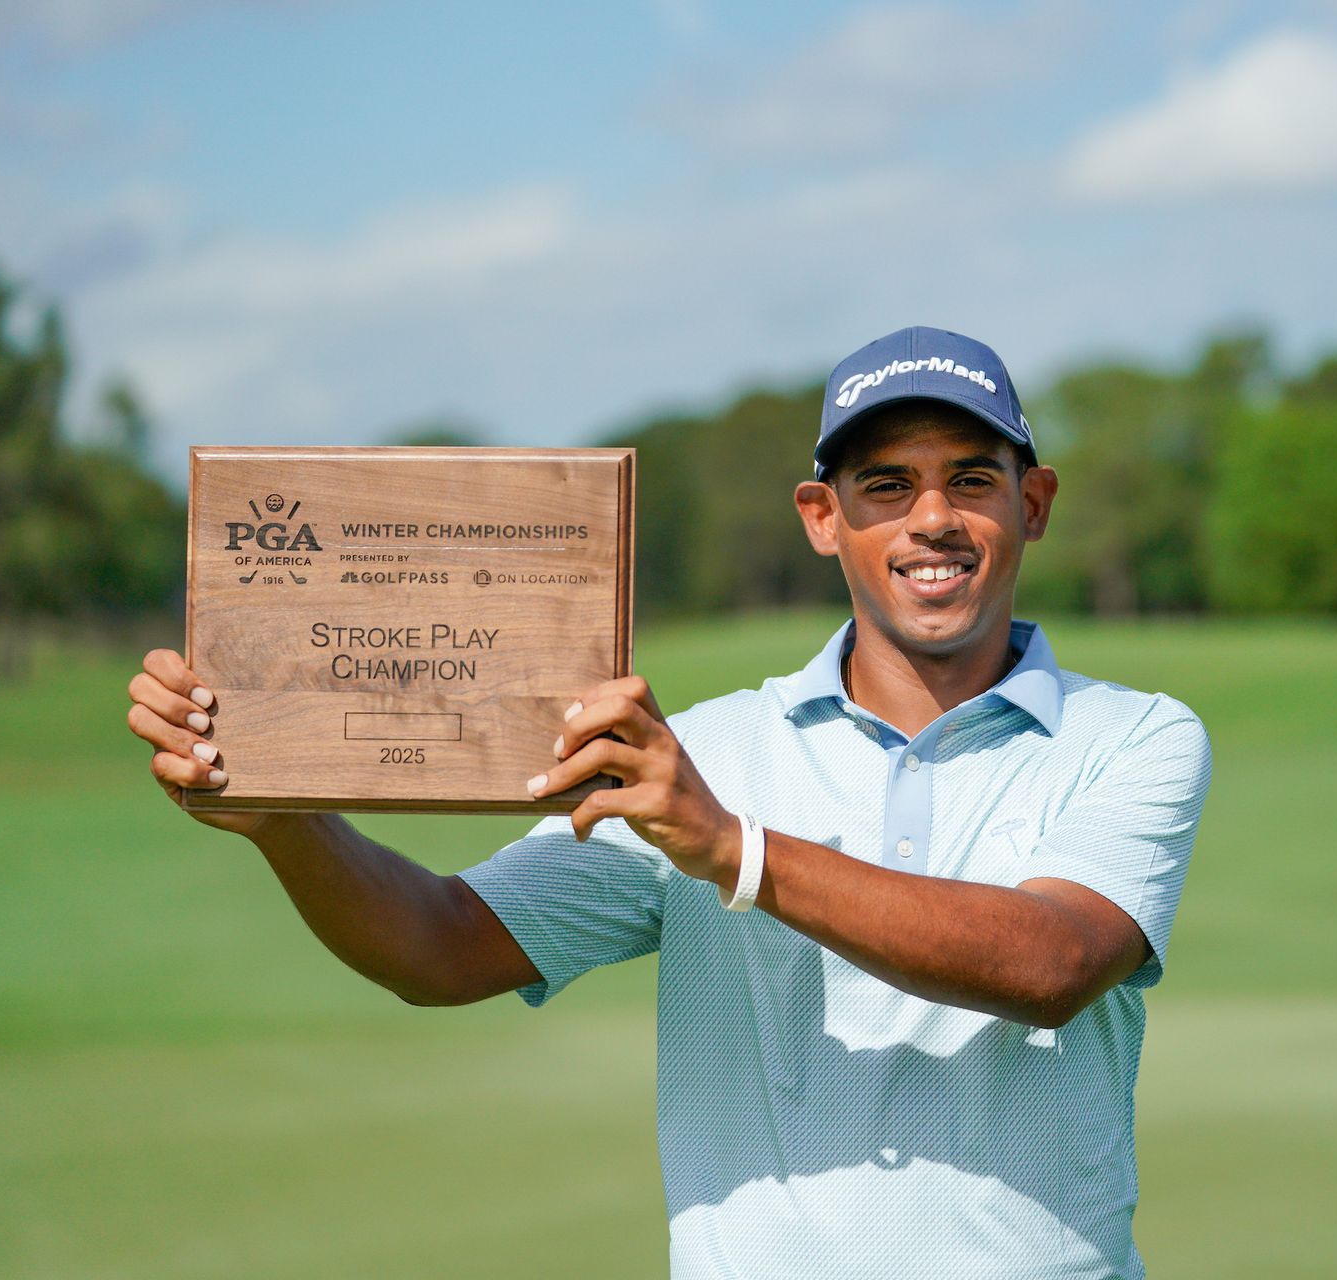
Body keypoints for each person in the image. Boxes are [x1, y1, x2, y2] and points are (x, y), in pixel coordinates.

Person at [125, 325, 1212, 1279]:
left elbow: (1053, 964)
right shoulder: (705, 752)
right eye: (886, 485)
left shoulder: (1134, 736)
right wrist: (281, 816)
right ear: (823, 518)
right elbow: (444, 945)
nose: (932, 518)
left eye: (971, 479)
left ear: (1033, 502)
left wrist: (732, 847)